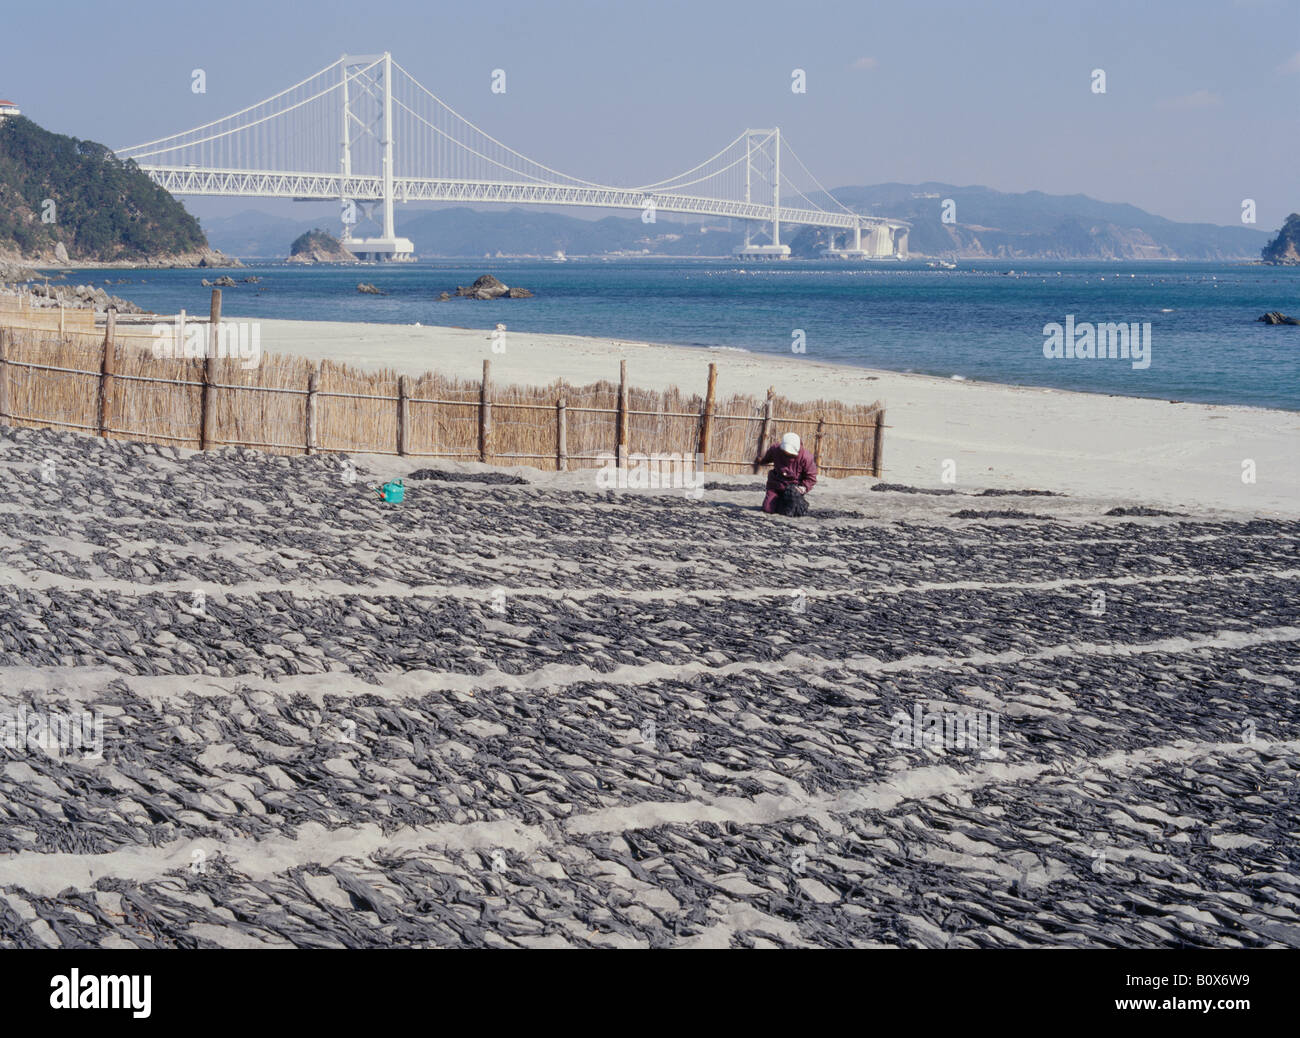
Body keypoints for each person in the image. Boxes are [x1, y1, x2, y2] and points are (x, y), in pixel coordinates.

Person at [756, 432, 818, 514]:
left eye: (791, 454)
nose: (788, 455)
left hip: (793, 488)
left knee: (790, 512)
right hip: (776, 484)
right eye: (785, 452)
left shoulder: (806, 457)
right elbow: (766, 459)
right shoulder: (775, 449)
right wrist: (760, 460)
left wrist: (803, 488)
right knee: (768, 509)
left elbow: (811, 477)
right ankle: (777, 499)